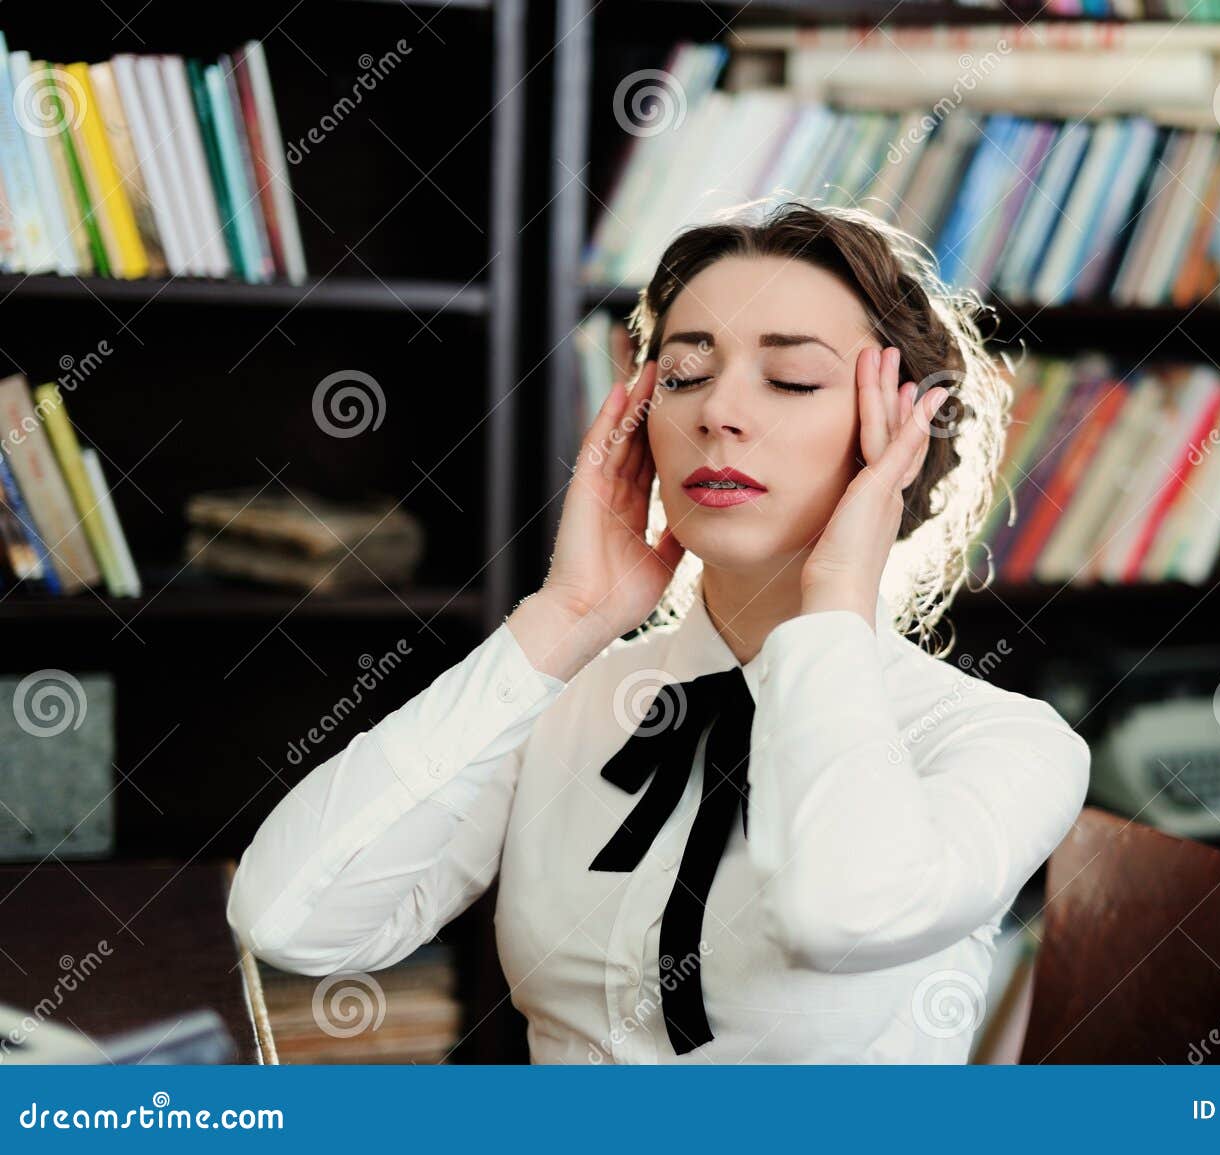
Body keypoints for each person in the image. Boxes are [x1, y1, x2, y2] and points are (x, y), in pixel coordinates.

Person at [227, 198, 1091, 1064]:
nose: (719, 412)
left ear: (900, 430)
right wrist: (565, 621)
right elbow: (288, 921)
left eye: (790, 380)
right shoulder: (569, 704)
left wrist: (833, 599)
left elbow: (842, 913)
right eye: (682, 376)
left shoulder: (1002, 742)